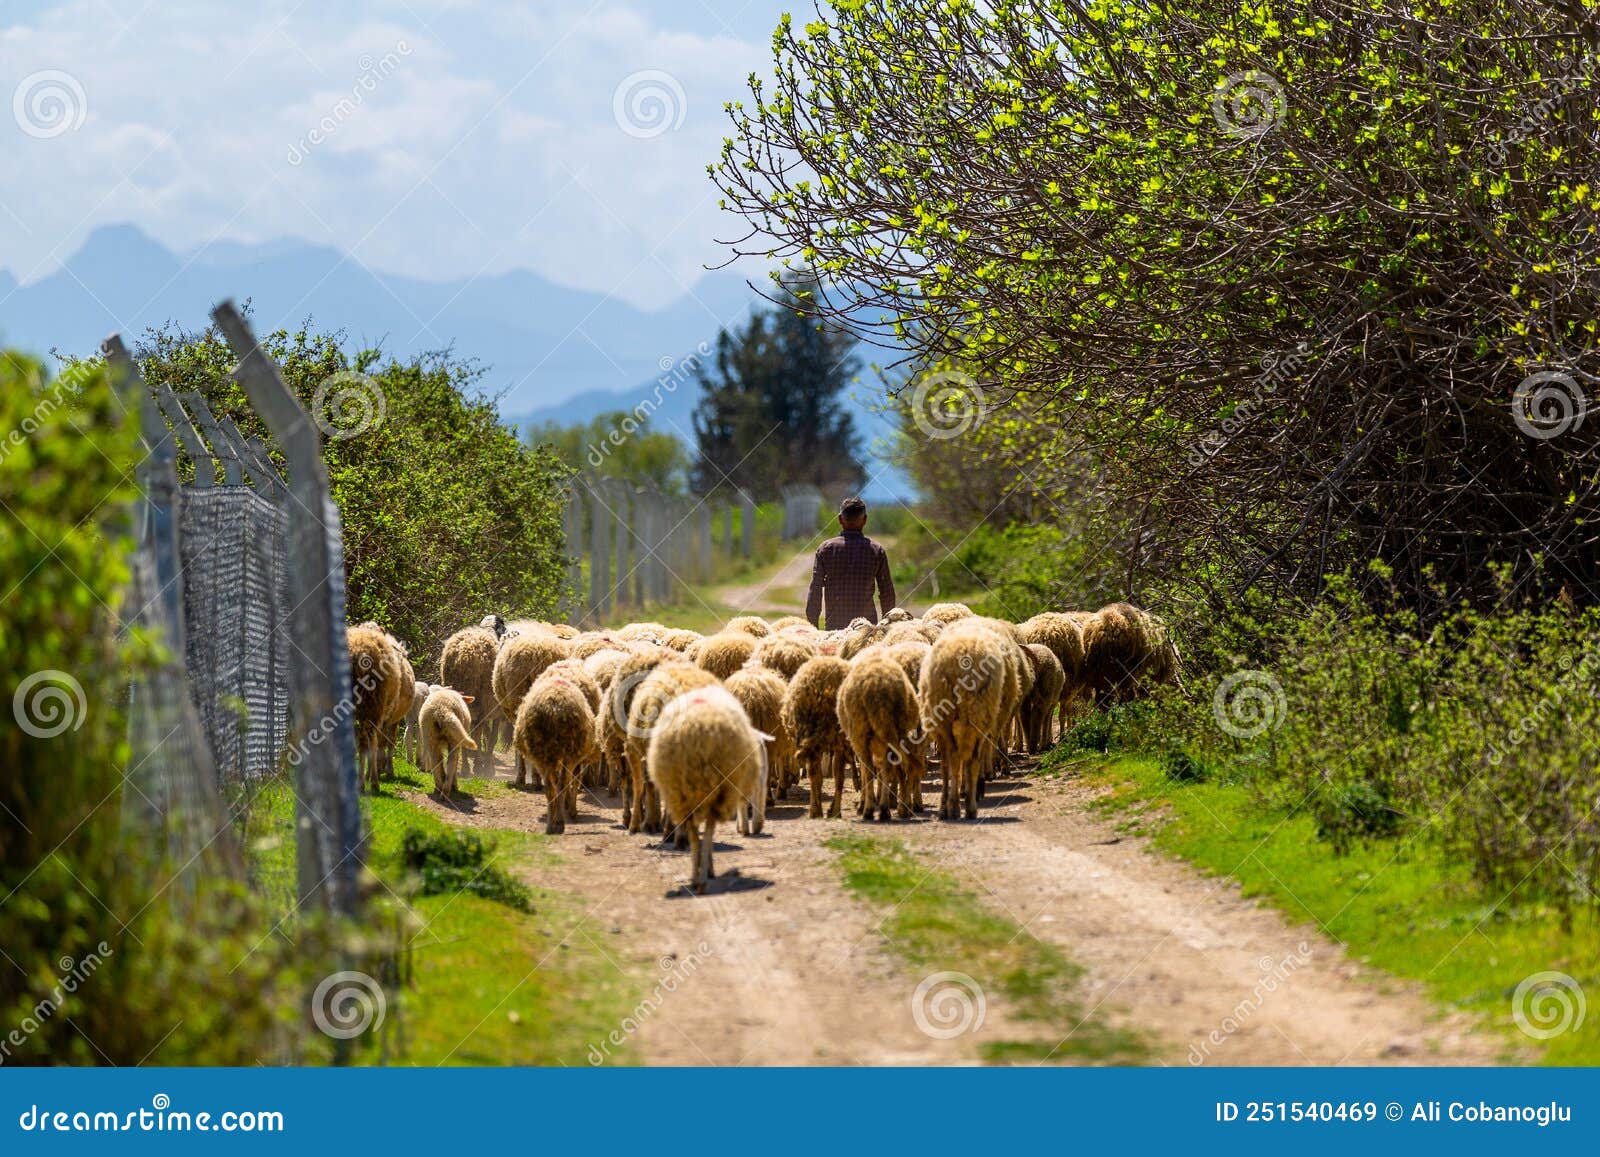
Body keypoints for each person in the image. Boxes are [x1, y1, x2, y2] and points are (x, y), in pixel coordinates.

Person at [805, 496, 896, 628]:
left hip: (835, 628)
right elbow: (886, 592)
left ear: (840, 519)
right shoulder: (876, 551)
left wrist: (813, 626)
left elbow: (815, 590)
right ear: (865, 520)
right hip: (866, 630)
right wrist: (887, 625)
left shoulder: (826, 549)